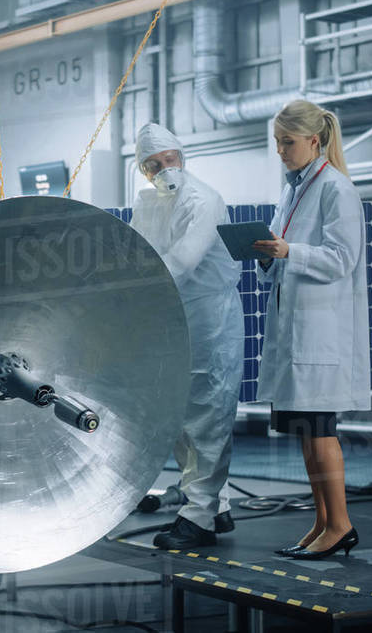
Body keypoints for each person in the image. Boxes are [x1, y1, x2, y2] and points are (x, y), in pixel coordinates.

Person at [251, 99, 370, 560]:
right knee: (306, 430)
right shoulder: (294, 190)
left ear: (314, 141)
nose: (280, 150)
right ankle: (322, 522)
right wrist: (268, 255)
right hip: (294, 329)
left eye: (287, 142)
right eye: (277, 142)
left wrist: (289, 253)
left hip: (322, 333)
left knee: (320, 430)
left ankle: (340, 524)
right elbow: (285, 254)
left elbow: (343, 258)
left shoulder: (337, 189)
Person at [129, 122, 244, 550]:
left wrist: (132, 297)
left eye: (169, 159)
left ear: (182, 156)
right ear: (142, 170)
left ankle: (198, 519)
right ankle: (218, 504)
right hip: (172, 318)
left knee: (208, 415)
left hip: (210, 320)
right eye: (152, 165)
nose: (163, 169)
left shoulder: (203, 200)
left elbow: (181, 261)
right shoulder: (148, 203)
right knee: (180, 413)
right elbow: (140, 251)